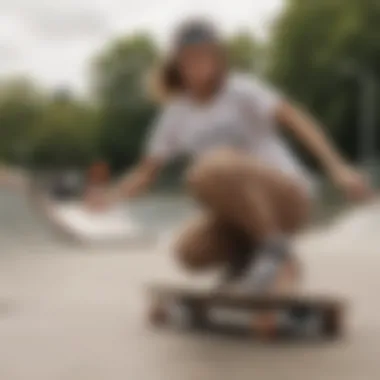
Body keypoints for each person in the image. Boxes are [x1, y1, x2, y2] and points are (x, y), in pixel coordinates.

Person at [94, 19, 372, 296]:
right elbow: (146, 173)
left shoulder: (242, 90)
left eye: (204, 56)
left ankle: (277, 254)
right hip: (241, 215)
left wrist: (338, 168)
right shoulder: (175, 114)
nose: (197, 65)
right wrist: (111, 196)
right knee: (189, 251)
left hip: (287, 196)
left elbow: (297, 120)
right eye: (190, 59)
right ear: (177, 64)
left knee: (207, 170)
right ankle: (249, 260)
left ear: (218, 60)